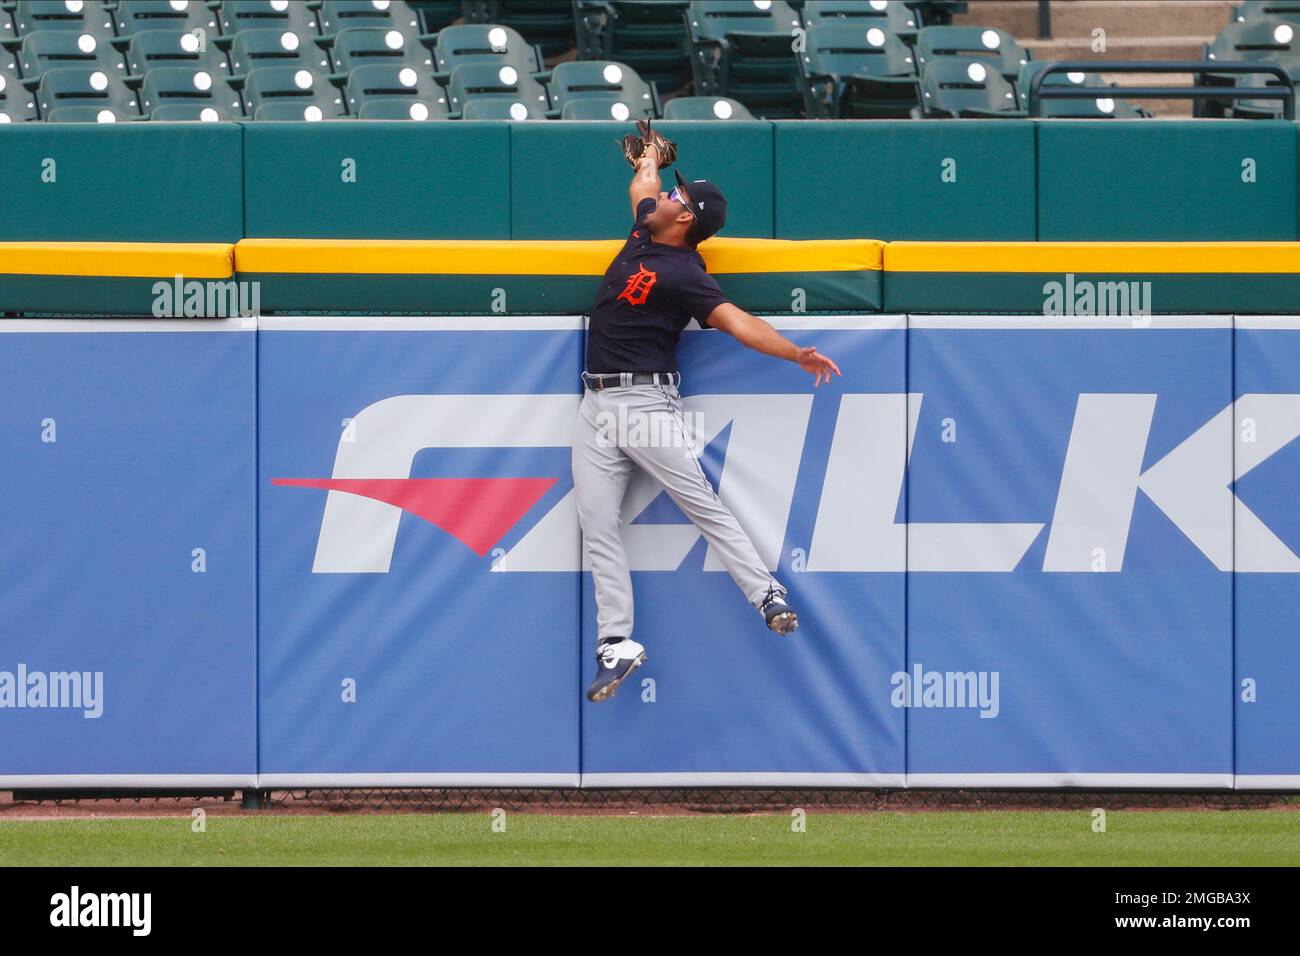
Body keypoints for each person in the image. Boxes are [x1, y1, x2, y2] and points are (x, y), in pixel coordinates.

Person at [573, 134, 842, 703]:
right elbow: (641, 188)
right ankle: (616, 642)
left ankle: (766, 593)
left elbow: (741, 324)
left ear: (687, 219)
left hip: (645, 402)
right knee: (596, 524)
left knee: (701, 504)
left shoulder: (683, 270)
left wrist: (796, 353)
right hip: (596, 404)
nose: (664, 196)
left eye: (677, 195)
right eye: (671, 191)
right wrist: (649, 158)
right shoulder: (645, 229)